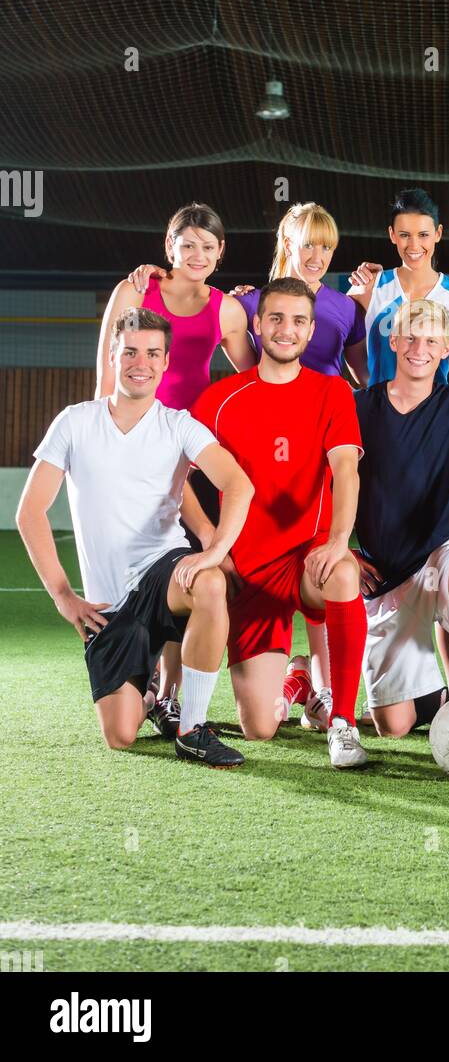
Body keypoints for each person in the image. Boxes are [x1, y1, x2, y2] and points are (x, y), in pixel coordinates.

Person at [16, 308, 254, 768]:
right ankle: (147, 693)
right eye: (129, 352)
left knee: (207, 583)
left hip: (163, 572)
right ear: (112, 356)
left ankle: (193, 728)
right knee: (121, 735)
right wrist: (65, 597)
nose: (139, 362)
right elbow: (30, 513)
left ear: (165, 362)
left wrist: (215, 551)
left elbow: (238, 483)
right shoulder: (75, 422)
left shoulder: (178, 425)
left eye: (151, 353)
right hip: (110, 607)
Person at [191, 277, 369, 770]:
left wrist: (338, 541)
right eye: (275, 319)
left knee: (344, 572)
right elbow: (174, 477)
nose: (285, 330)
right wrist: (211, 541)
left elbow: (346, 471)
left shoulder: (332, 391)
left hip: (305, 559)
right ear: (256, 325)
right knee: (260, 727)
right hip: (248, 571)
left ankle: (344, 724)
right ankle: (297, 680)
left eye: (297, 321)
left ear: (311, 331)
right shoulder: (221, 398)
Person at [98, 202, 256, 736]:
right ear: (169, 248)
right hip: (139, 458)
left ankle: (169, 698)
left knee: (192, 570)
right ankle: (136, 682)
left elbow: (254, 379)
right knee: (150, 573)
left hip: (191, 451)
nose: (196, 255)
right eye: (186, 245)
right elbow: (105, 380)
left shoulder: (227, 311)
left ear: (220, 254)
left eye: (208, 247)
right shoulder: (133, 291)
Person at [227, 201, 369, 733]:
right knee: (267, 559)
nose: (316, 255)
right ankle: (286, 672)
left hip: (323, 444)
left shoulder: (344, 308)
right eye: (307, 243)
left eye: (326, 246)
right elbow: (248, 372)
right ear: (286, 242)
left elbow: (361, 375)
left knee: (320, 559)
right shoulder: (249, 303)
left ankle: (322, 689)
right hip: (268, 449)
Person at [353, 300, 449, 735]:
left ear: (447, 348)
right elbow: (330, 479)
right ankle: (440, 699)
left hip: (440, 555)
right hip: (385, 576)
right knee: (393, 725)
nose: (419, 348)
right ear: (394, 340)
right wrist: (338, 548)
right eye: (411, 337)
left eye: (432, 340)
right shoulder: (361, 406)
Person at [347, 187, 449, 387]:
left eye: (423, 235)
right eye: (404, 235)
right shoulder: (367, 288)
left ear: (438, 233)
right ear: (392, 234)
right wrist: (376, 394)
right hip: (378, 414)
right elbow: (341, 347)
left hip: (433, 415)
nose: (413, 246)